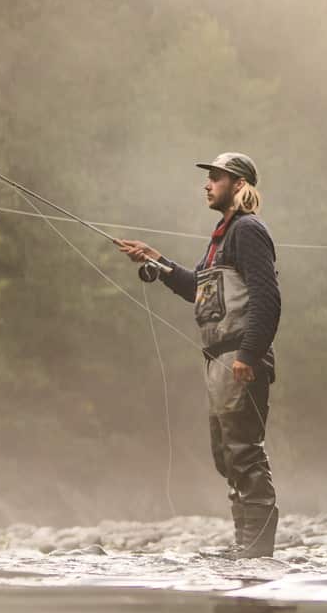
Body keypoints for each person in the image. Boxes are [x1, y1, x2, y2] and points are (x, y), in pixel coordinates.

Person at [115, 153, 282, 558]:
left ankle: (256, 552)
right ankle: (245, 546)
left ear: (239, 185)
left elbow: (268, 298)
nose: (207, 185)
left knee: (244, 451)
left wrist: (248, 353)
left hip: (240, 359)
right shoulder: (221, 238)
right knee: (227, 455)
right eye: (208, 179)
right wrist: (157, 260)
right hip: (220, 360)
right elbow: (197, 289)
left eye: (216, 178)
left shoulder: (248, 231)